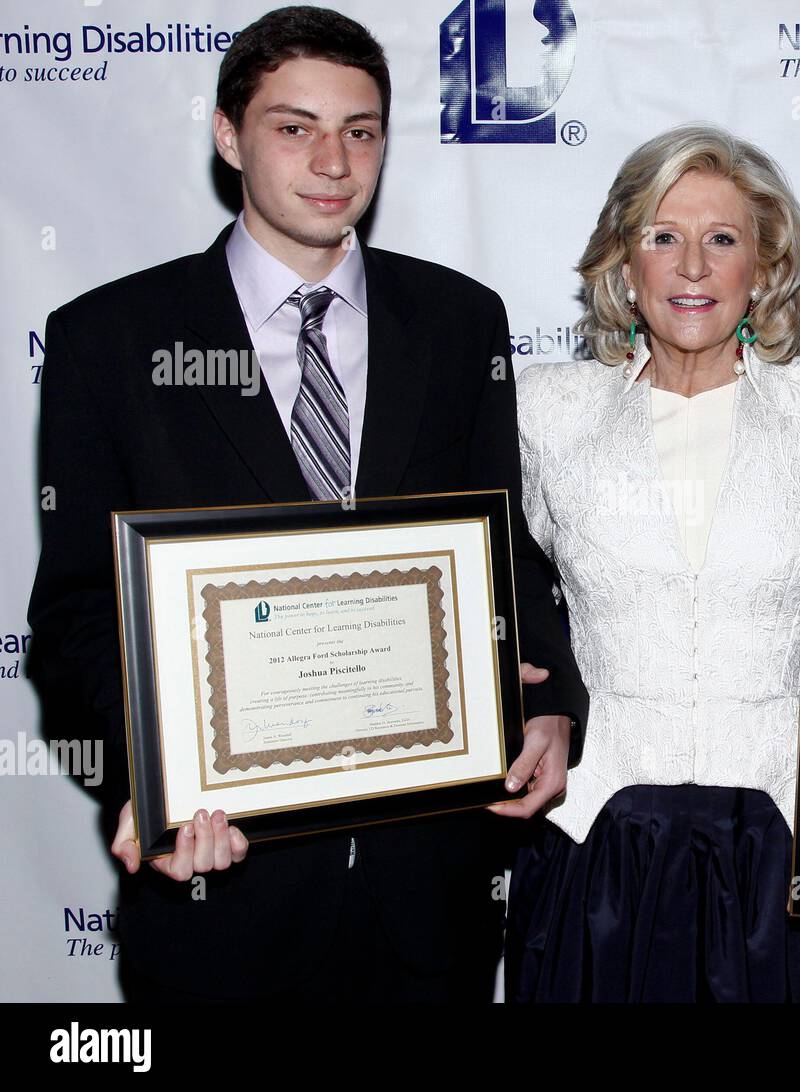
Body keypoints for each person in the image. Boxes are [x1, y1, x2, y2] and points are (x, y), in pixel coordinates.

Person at [26, 5, 585, 1002]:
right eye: (295, 128)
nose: (334, 162)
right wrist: (150, 784)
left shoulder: (460, 322)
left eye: (360, 131)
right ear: (229, 134)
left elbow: (508, 554)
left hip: (429, 895)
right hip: (223, 894)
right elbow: (73, 616)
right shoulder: (108, 339)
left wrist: (548, 707)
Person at [503, 125, 800, 1002]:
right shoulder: (547, 411)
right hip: (595, 835)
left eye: (722, 240)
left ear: (766, 267)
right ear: (624, 266)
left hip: (781, 846)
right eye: (662, 238)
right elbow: (497, 591)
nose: (692, 267)